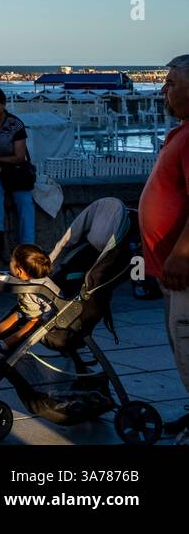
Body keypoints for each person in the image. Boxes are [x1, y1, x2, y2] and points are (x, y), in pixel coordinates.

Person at [139, 54, 189, 443]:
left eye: (171, 83)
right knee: (179, 342)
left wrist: (182, 253)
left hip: (182, 268)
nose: (163, 90)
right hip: (168, 268)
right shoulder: (181, 133)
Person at [0, 244, 59, 360]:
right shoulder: (23, 279)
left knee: (30, 324)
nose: (9, 263)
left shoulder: (42, 288)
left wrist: (41, 320)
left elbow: (53, 307)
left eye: (11, 261)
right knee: (14, 316)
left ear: (20, 271)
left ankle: (3, 345)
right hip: (26, 313)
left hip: (41, 320)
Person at [0, 87, 37, 252]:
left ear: (3, 104)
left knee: (25, 204)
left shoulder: (15, 124)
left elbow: (19, 156)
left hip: (15, 173)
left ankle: (28, 247)